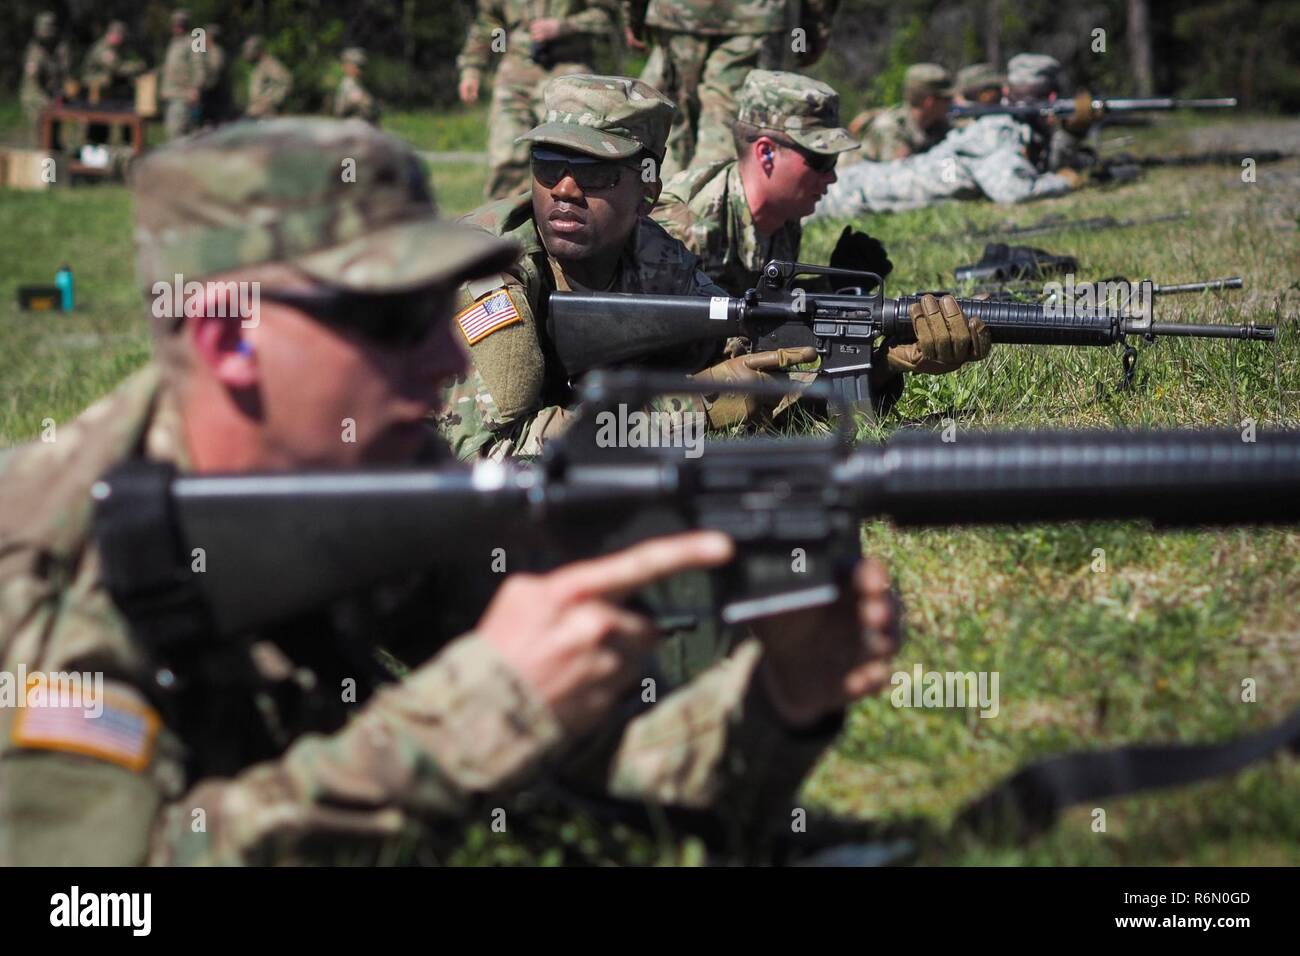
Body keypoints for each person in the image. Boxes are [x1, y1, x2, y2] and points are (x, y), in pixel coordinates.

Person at [0, 117, 901, 865]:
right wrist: (455, 728)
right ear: (229, 341)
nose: (444, 360)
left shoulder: (385, 480)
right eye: (393, 320)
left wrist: (781, 699)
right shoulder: (45, 571)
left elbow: (612, 775)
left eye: (442, 310)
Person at [435, 74, 823, 461]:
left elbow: (743, 348)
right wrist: (695, 409)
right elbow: (490, 454)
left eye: (596, 171)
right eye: (548, 165)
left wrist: (847, 366)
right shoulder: (488, 271)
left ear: (648, 192)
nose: (564, 189)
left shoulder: (653, 253)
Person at [654, 70, 992, 408]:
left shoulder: (782, 217)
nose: (831, 176)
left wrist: (835, 291)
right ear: (766, 153)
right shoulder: (683, 229)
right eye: (820, 160)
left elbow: (763, 314)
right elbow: (661, 368)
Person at [814, 53, 1083, 217]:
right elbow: (1012, 190)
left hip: (870, 184)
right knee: (810, 201)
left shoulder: (1005, 127)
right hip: (855, 191)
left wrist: (1071, 133)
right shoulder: (998, 131)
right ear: (1049, 96)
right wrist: (1063, 182)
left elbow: (1032, 165)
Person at [457, 2, 616, 200]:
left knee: (564, 157)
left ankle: (559, 220)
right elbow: (489, 24)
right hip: (515, 73)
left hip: (568, 73)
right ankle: (503, 224)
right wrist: (472, 70)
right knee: (505, 158)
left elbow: (607, 16)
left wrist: (564, 27)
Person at [623, 0, 795, 178]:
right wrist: (814, 28)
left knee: (677, 119)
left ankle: (666, 194)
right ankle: (698, 195)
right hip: (750, 17)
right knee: (722, 117)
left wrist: (635, 16)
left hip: (678, 14)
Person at [847, 63, 953, 163]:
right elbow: (898, 174)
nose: (952, 102)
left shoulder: (938, 126)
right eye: (947, 98)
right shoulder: (890, 128)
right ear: (929, 102)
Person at [19, 11, 71, 135]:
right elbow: (33, 80)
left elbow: (62, 72)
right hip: (35, 98)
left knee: (54, 133)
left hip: (51, 96)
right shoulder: (35, 52)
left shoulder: (56, 49)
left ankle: (53, 150)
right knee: (40, 134)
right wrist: (45, 100)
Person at [160, 9, 207, 139]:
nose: (177, 27)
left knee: (177, 134)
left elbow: (200, 68)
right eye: (175, 24)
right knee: (173, 133)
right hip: (171, 94)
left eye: (181, 24)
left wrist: (196, 88)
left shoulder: (194, 41)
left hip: (183, 95)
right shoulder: (174, 43)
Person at [242, 35, 293, 119]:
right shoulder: (260, 66)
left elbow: (286, 82)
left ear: (258, 50)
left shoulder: (270, 64)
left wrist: (269, 102)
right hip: (256, 113)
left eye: (249, 50)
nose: (247, 53)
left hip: (267, 115)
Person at [198, 22, 234, 126]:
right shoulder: (206, 52)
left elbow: (214, 73)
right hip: (208, 96)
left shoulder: (217, 52)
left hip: (214, 96)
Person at [334, 48, 381, 124]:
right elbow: (340, 111)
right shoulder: (347, 84)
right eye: (356, 66)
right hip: (353, 128)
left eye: (362, 67)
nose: (359, 70)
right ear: (345, 67)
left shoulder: (359, 84)